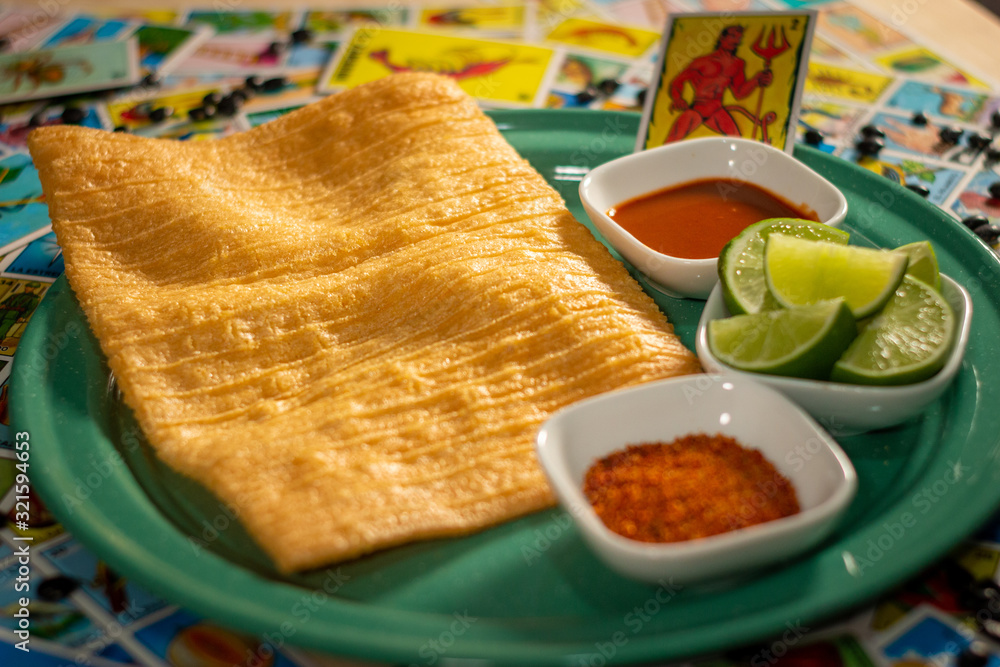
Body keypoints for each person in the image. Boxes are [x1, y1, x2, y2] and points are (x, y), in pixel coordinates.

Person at [665, 25, 773, 142]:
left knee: (737, 141)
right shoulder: (702, 61)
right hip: (697, 109)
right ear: (722, 38)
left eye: (739, 38)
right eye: (732, 36)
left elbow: (739, 93)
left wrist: (756, 80)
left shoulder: (738, 64)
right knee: (671, 141)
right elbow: (677, 82)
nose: (736, 41)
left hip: (717, 110)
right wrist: (677, 98)